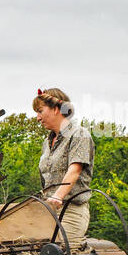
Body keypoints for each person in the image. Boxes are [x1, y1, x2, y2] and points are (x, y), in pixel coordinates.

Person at [32, 87, 94, 246]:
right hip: (49, 212)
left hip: (71, 210)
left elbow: (74, 170)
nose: (38, 118)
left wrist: (58, 196)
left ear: (55, 109)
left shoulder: (79, 134)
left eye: (40, 111)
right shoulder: (47, 142)